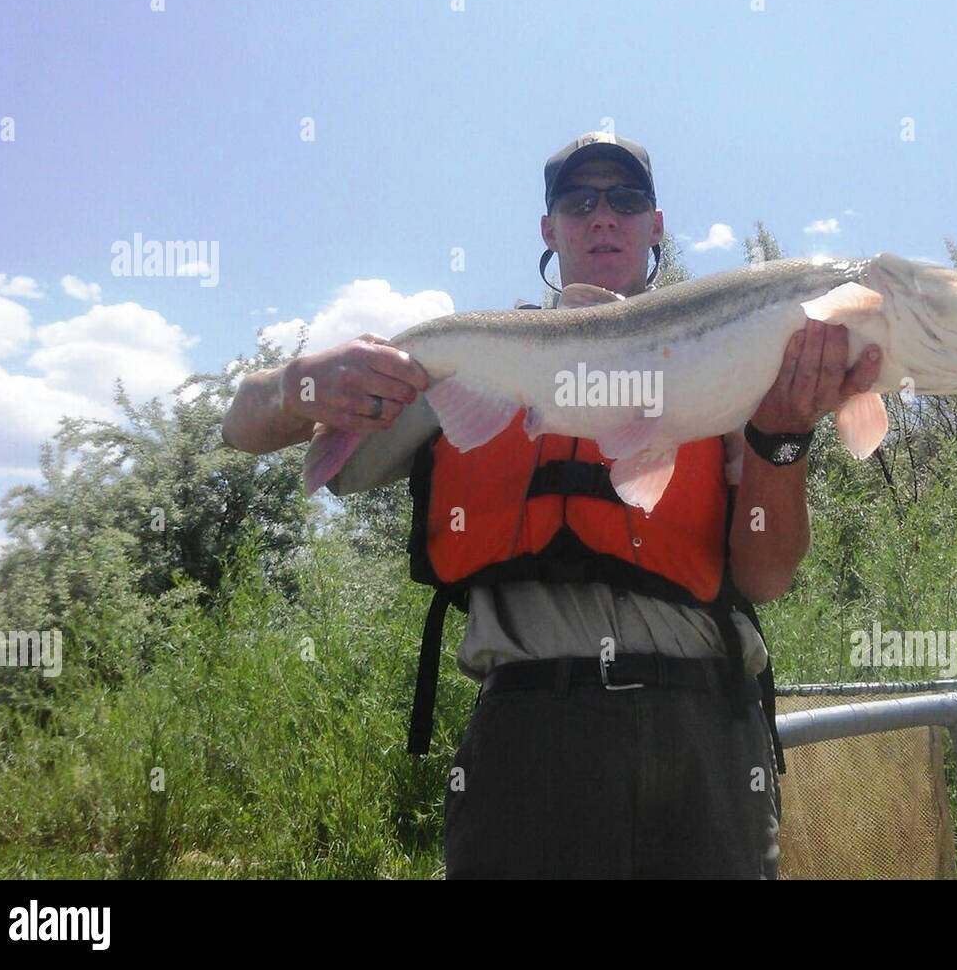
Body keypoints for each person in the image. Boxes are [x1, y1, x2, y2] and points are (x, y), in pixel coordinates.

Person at [221, 132, 883, 878]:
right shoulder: (475, 358)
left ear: (655, 226)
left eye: (626, 200)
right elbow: (238, 426)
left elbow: (764, 574)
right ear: (549, 228)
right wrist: (296, 384)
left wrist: (784, 438)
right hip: (530, 740)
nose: (603, 216)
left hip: (705, 732)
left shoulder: (739, 368)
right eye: (579, 200)